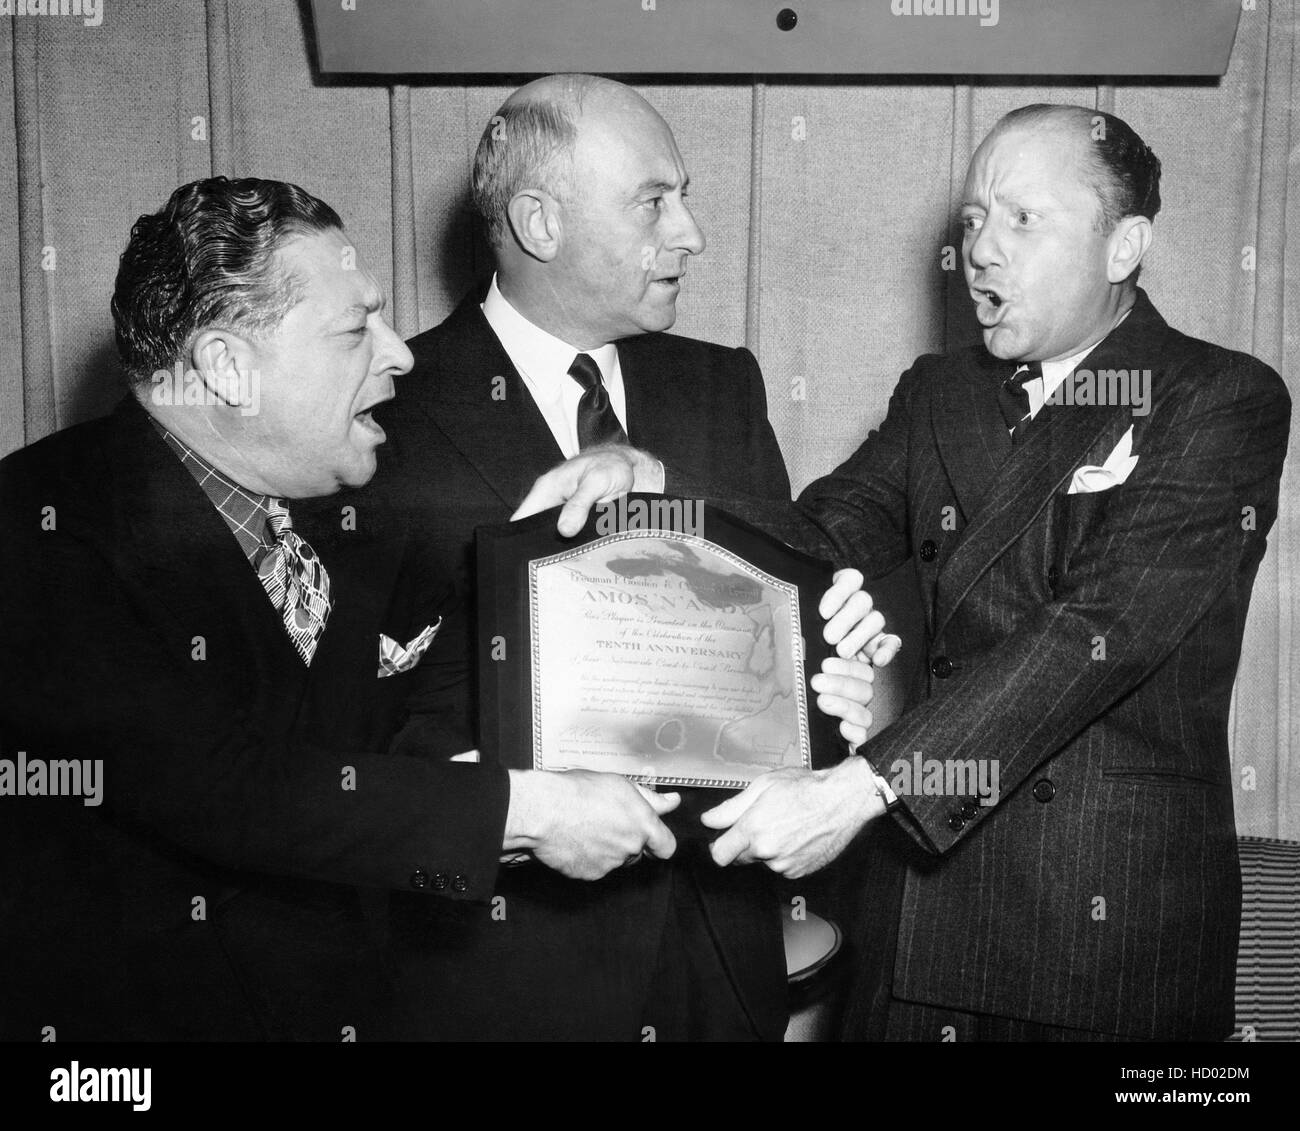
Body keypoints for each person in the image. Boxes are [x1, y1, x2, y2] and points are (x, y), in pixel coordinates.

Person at [519, 104, 1291, 1041]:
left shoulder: (1220, 395)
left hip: (1100, 922)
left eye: (1020, 220)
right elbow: (819, 539)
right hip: (918, 911)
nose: (981, 251)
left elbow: (1101, 632)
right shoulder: (939, 391)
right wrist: (659, 490)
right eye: (972, 221)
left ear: (1124, 245)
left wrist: (858, 790)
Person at [0, 175, 741, 1040]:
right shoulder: (39, 529)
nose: (402, 353)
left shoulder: (348, 504)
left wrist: (577, 522)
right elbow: (231, 787)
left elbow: (430, 701)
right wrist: (529, 813)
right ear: (226, 369)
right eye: (357, 330)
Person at [371, 73, 898, 1041]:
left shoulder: (720, 384)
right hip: (496, 974)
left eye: (684, 197)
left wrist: (840, 687)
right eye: (654, 202)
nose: (690, 232)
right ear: (538, 221)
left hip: (717, 956)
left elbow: (779, 641)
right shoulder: (386, 411)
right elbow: (350, 729)